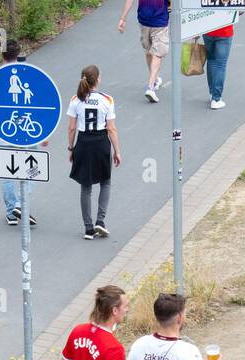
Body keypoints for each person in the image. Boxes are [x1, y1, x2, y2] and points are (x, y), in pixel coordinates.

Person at [0, 41, 42, 226]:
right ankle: (21, 204)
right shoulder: (26, 73)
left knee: (7, 173)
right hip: (25, 131)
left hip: (2, 131)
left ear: (1, 55)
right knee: (31, 168)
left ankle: (11, 212)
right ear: (19, 54)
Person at [67, 65, 121, 241]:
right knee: (105, 182)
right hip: (101, 143)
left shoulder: (76, 99)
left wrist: (71, 148)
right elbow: (111, 129)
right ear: (98, 80)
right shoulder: (107, 100)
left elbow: (72, 127)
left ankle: (88, 228)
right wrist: (117, 151)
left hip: (83, 143)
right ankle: (101, 221)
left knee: (86, 186)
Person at [118, 0, 170, 103]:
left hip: (143, 20)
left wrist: (122, 19)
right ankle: (151, 87)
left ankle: (154, 80)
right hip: (160, 20)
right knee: (157, 54)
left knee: (148, 51)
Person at [203, 21, 234, 110]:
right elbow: (239, 11)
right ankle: (216, 99)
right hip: (225, 31)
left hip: (207, 29)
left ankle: (212, 93)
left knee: (211, 60)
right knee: (220, 64)